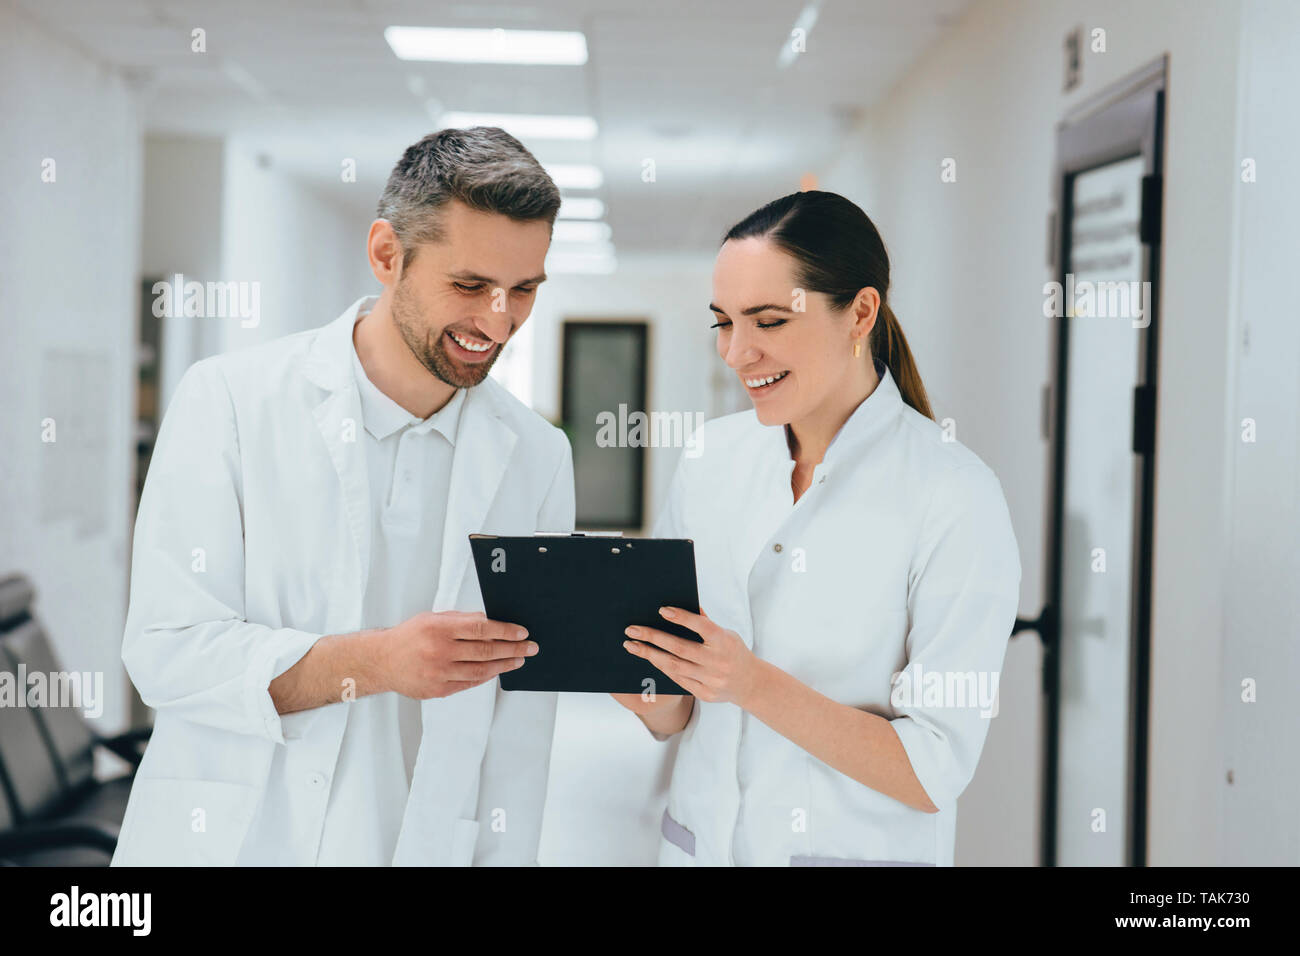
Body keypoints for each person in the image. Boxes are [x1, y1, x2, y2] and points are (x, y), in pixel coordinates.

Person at [112, 127, 574, 867]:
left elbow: (521, 719)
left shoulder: (539, 457)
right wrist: (381, 662)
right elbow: (167, 652)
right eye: (468, 285)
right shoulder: (230, 401)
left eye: (523, 290)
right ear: (388, 254)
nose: (497, 320)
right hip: (238, 838)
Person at [614, 190, 1021, 866]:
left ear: (860, 313)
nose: (737, 353)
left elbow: (933, 769)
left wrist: (749, 682)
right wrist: (644, 686)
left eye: (769, 321)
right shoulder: (710, 461)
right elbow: (679, 712)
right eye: (723, 322)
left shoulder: (955, 494)